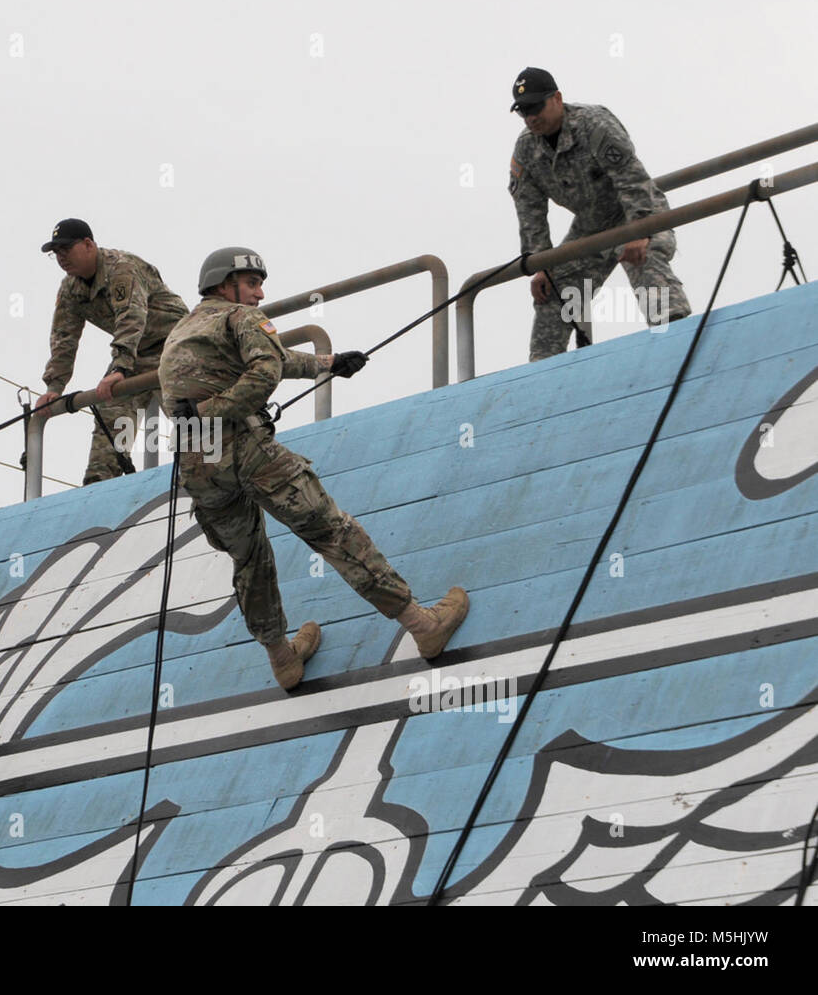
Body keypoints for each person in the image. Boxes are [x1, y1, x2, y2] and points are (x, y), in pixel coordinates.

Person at [157, 248, 469, 691]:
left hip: (197, 464)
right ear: (226, 285)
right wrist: (211, 410)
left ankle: (283, 660)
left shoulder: (184, 330)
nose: (260, 293)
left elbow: (276, 359)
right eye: (251, 284)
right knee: (332, 531)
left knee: (249, 559)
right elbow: (266, 373)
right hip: (245, 448)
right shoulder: (242, 318)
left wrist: (329, 364)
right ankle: (423, 625)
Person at [507, 67, 692, 361]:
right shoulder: (526, 148)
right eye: (523, 111)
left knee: (645, 262)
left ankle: (679, 344)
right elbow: (529, 209)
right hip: (590, 227)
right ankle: (541, 376)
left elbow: (631, 178)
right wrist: (540, 262)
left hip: (635, 212)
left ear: (557, 98)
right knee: (553, 290)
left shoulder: (593, 124)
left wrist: (639, 232)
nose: (531, 117)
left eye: (536, 107)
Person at [34, 218, 189, 484]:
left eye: (66, 250)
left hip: (177, 346)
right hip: (136, 356)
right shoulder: (71, 288)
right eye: (56, 253)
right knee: (109, 419)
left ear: (88, 244)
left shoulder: (122, 268)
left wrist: (119, 368)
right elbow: (64, 337)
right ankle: (101, 492)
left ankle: (214, 478)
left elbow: (131, 318)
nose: (61, 258)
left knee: (194, 423)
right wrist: (54, 387)